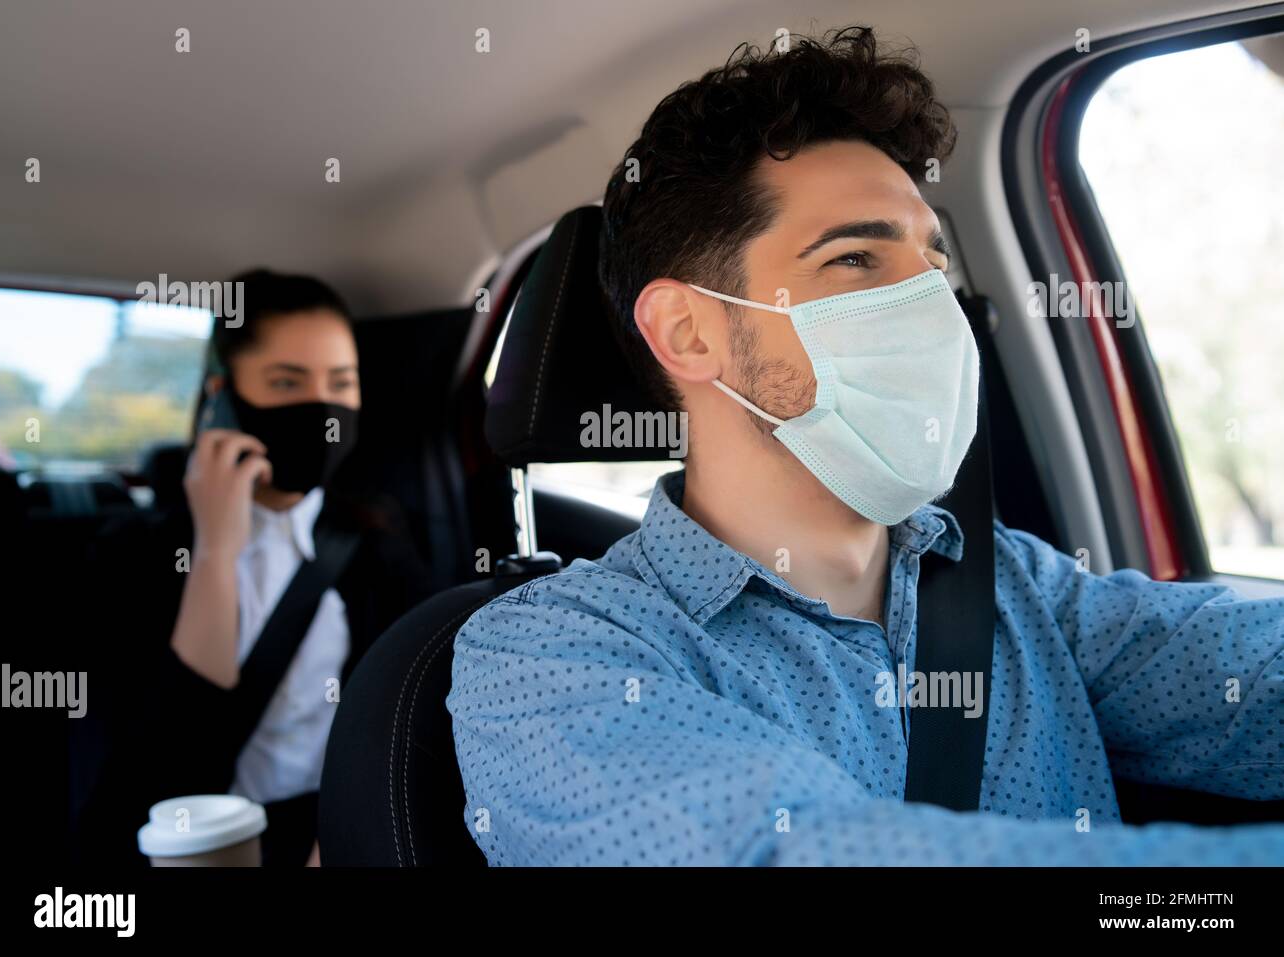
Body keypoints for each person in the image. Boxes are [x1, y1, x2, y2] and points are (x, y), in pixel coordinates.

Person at [446, 26, 1284, 865]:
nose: (930, 304)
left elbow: (1250, 678)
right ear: (689, 331)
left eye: (933, 263)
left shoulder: (1020, 587)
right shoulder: (548, 655)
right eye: (855, 258)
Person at [78, 269, 429, 866]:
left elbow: (402, 725)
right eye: (287, 382)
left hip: (332, 834)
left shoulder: (378, 541)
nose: (322, 409)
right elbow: (163, 758)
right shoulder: (133, 551)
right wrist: (215, 549)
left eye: (341, 384)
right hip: (196, 841)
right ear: (224, 398)